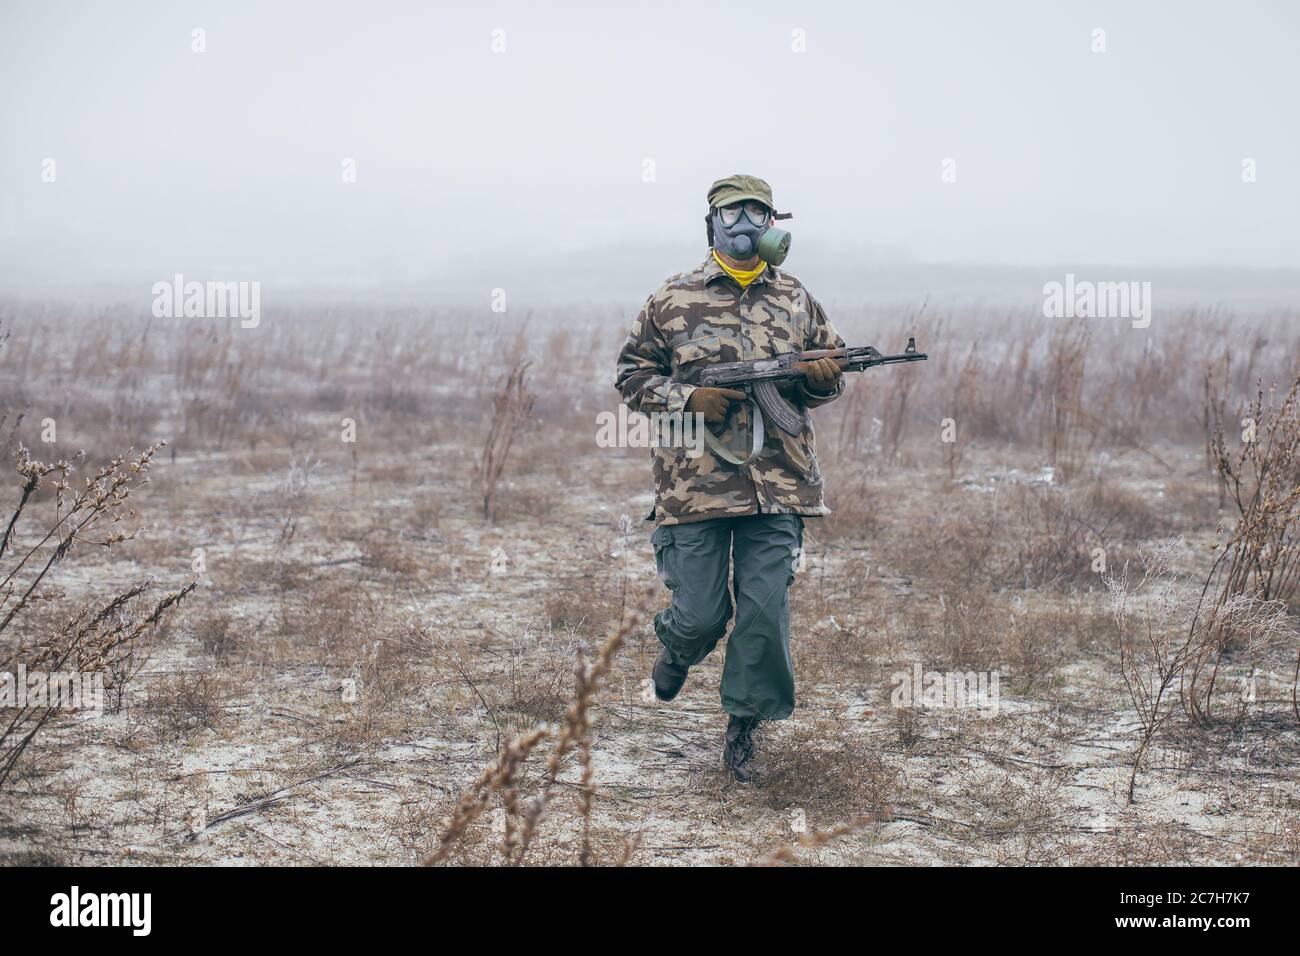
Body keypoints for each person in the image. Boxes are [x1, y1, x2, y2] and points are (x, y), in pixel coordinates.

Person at [614, 174, 845, 782]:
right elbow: (631, 377)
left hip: (780, 483)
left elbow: (829, 370)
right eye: (733, 213)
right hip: (695, 486)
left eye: (758, 214)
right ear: (711, 222)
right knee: (701, 614)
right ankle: (678, 649)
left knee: (764, 613)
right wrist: (688, 398)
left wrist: (823, 380)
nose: (745, 225)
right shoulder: (672, 299)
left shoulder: (796, 297)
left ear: (773, 224)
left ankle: (745, 725)